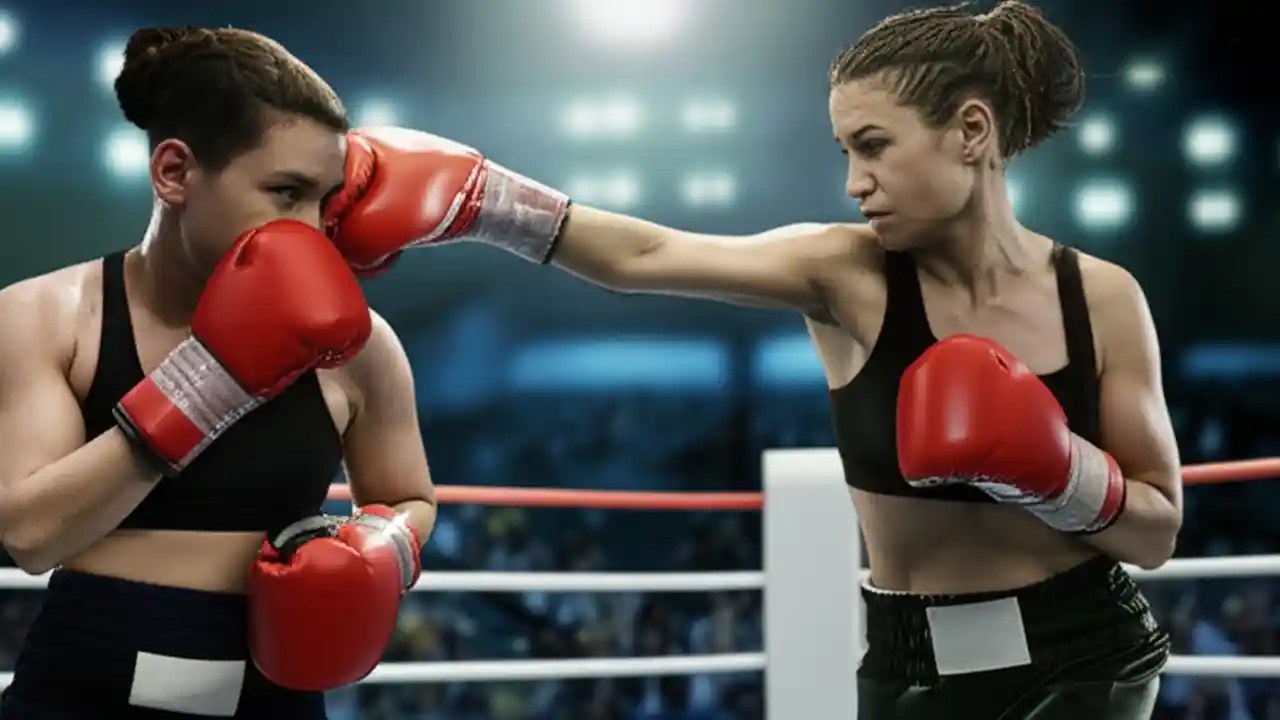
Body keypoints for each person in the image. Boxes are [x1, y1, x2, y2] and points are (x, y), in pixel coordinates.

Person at [320, 1, 1181, 717]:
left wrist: (1054, 469)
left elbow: (1155, 529)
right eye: (845, 151)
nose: (854, 181)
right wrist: (486, 200)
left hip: (1090, 654)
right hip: (907, 661)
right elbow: (646, 256)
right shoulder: (846, 274)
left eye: (874, 145)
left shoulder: (1099, 296)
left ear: (971, 130)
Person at [0, 27, 436, 718]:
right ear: (174, 173)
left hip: (276, 687)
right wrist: (213, 379)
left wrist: (379, 550)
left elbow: (412, 498)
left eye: (325, 202)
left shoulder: (360, 344)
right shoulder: (47, 315)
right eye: (285, 191)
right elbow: (30, 536)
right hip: (82, 681)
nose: (313, 230)